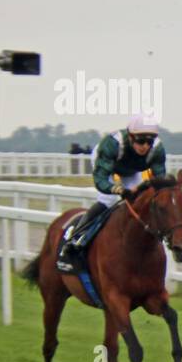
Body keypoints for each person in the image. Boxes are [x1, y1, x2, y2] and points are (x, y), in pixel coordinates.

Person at [60, 112, 168, 270]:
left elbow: (160, 182)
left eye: (149, 141)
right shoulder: (111, 144)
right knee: (108, 200)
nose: (145, 145)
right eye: (140, 140)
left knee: (140, 201)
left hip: (132, 170)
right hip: (108, 165)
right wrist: (117, 189)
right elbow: (101, 180)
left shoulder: (157, 149)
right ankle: (75, 239)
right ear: (130, 137)